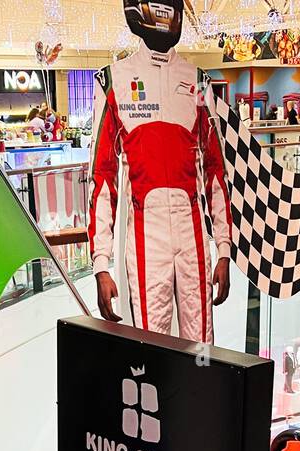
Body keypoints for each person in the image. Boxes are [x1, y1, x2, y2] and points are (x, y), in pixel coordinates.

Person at [89, 0, 232, 342]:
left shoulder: (197, 80)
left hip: (193, 230)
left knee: (202, 347)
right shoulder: (113, 80)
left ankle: (201, 396)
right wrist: (100, 264)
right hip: (145, 234)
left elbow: (215, 168)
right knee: (153, 347)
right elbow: (102, 177)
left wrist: (223, 249)